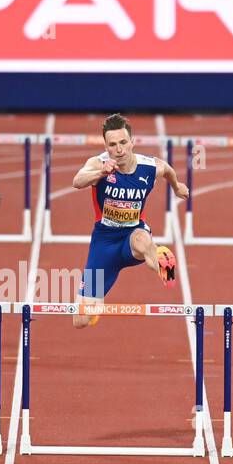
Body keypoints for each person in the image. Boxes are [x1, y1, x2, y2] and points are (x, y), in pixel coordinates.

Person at [71, 113, 187, 329]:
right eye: (112, 145)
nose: (119, 149)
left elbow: (168, 170)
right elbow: (77, 181)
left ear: (132, 142)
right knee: (80, 321)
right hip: (103, 244)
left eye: (123, 142)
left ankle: (164, 264)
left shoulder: (149, 167)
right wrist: (99, 173)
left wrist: (177, 186)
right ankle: (95, 309)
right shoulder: (98, 163)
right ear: (106, 147)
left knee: (143, 239)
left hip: (131, 235)